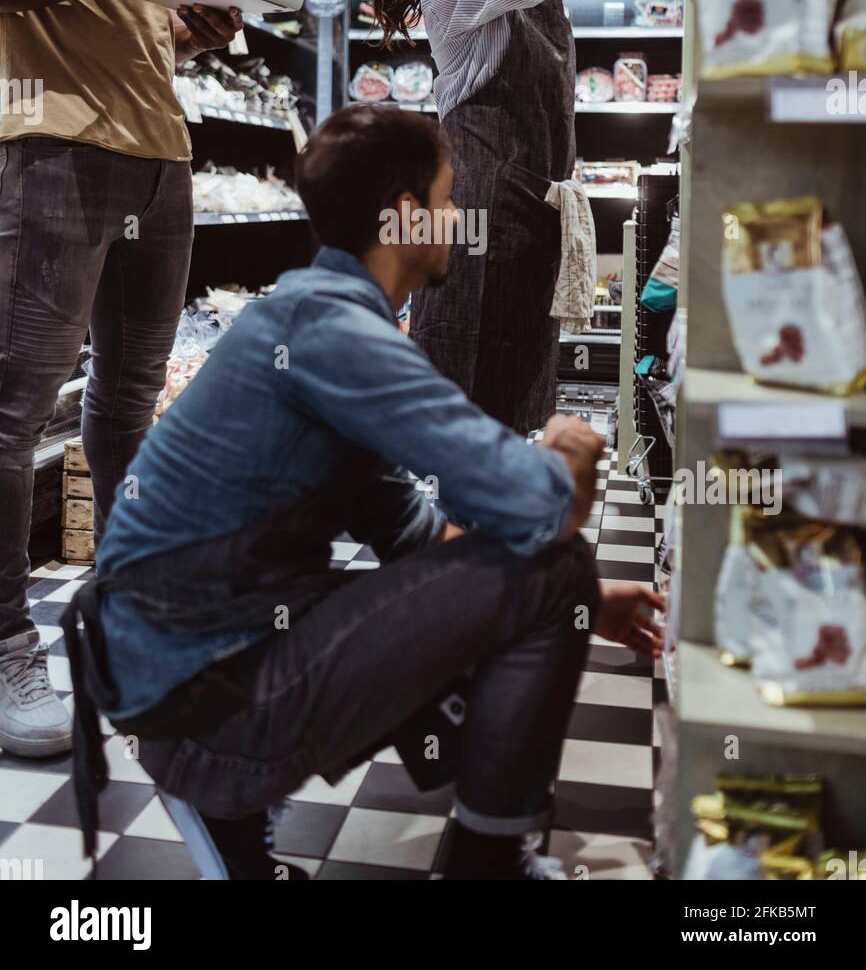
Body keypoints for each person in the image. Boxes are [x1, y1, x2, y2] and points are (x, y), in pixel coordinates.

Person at [63, 103, 663, 881]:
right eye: (450, 201)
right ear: (408, 216)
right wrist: (572, 448)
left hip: (173, 666)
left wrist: (561, 590)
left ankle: (235, 822)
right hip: (196, 693)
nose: (456, 220)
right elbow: (537, 504)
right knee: (555, 570)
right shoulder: (336, 331)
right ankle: (487, 866)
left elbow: (408, 527)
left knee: (542, 576)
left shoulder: (312, 312)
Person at [0, 0, 239, 759]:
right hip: (48, 140)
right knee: (12, 412)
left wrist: (190, 13)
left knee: (130, 403)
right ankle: (7, 646)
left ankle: (128, 616)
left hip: (161, 150)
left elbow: (137, 10)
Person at [372, 0, 688, 435]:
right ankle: (457, 520)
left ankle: (503, 514)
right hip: (478, 213)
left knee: (520, 378)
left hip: (530, 211)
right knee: (468, 365)